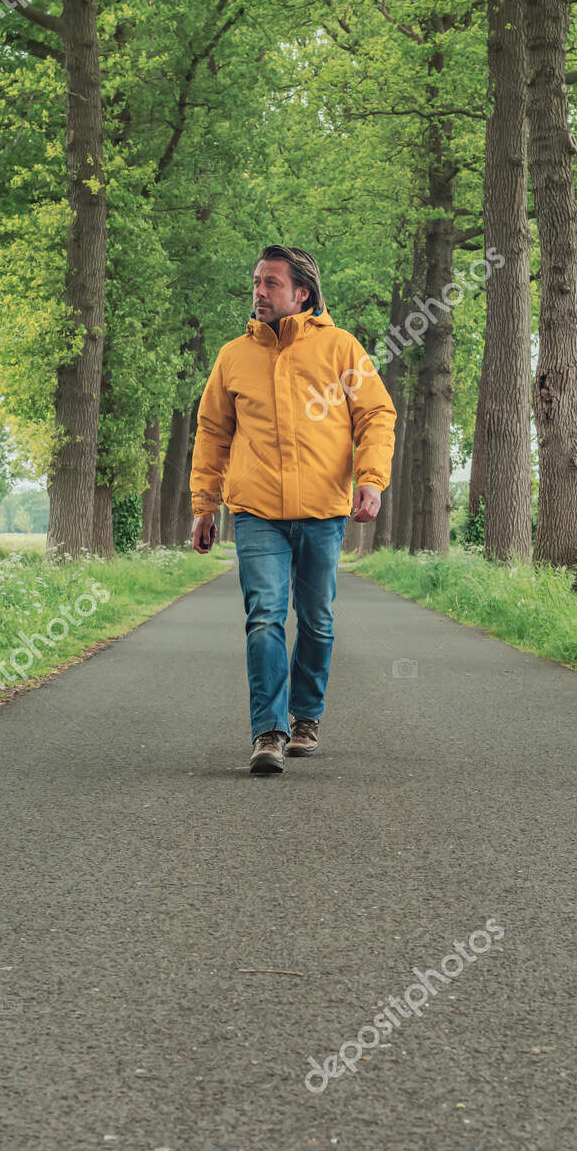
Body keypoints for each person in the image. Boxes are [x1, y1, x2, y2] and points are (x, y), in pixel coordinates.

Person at [189, 245, 397, 775]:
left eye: (271, 284)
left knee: (318, 620)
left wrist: (370, 480)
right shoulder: (233, 356)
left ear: (301, 292)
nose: (259, 291)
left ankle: (306, 718)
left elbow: (376, 415)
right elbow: (212, 432)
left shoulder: (343, 349)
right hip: (256, 510)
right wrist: (205, 504)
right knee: (264, 617)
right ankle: (269, 731)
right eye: (257, 281)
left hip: (324, 511)